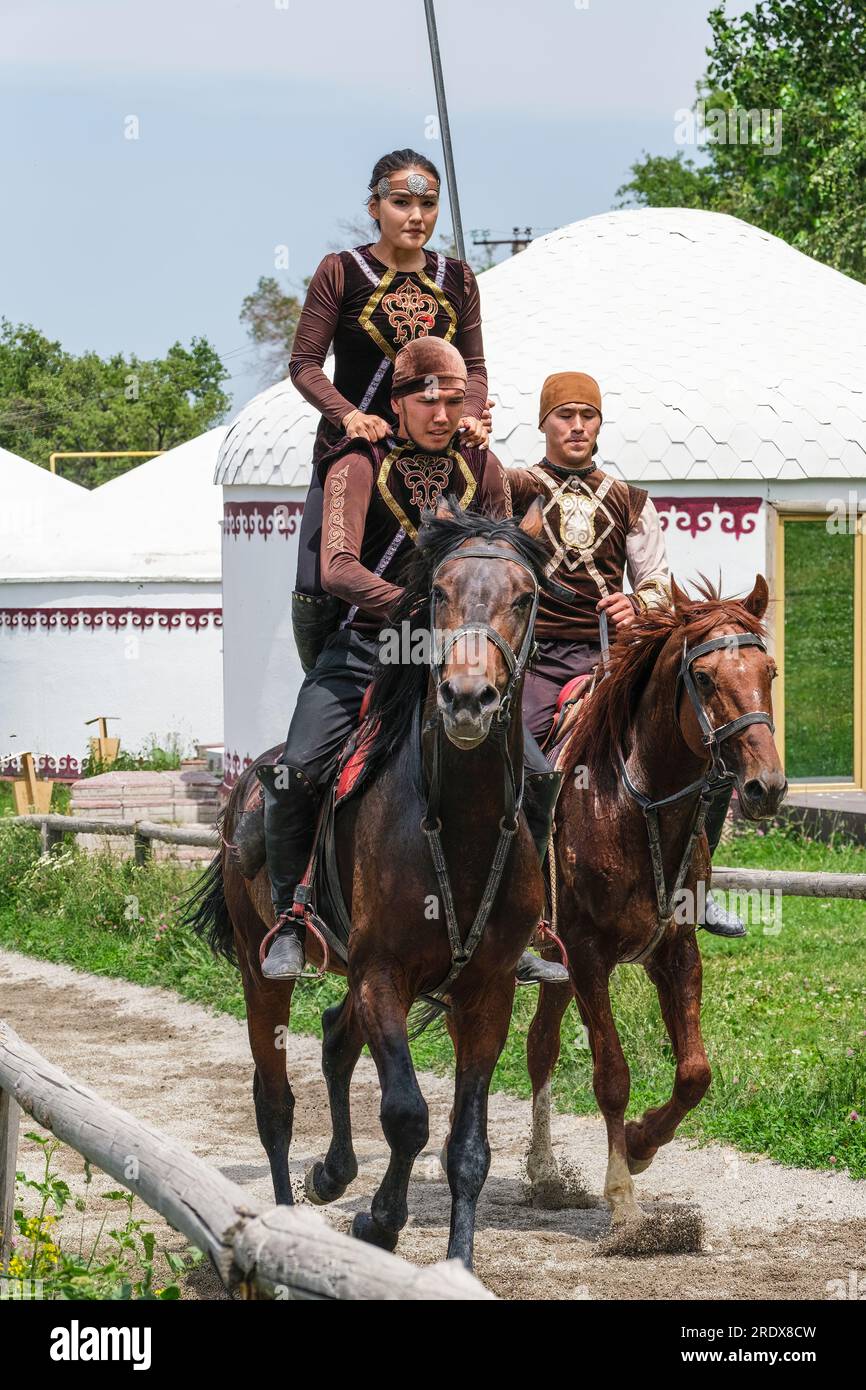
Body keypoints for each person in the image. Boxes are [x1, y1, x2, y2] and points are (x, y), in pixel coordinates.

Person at [259, 339, 566, 980]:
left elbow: (504, 560)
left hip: (453, 654)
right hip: (365, 646)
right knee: (297, 770)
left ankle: (524, 925)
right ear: (397, 401)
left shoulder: (481, 468)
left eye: (454, 401)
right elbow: (337, 568)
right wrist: (416, 605)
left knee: (537, 775)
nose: (442, 414)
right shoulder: (357, 460)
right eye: (428, 401)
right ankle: (292, 916)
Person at [504, 371, 746, 938]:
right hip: (534, 658)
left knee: (699, 754)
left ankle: (696, 893)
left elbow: (659, 578)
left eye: (588, 416)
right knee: (519, 765)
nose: (578, 426)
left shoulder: (629, 498)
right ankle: (520, 903)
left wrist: (636, 602)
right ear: (544, 422)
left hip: (609, 659)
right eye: (566, 415)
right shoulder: (513, 486)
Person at [288, 148, 491, 671]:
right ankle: (326, 684)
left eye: (428, 205)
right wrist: (350, 416)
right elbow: (304, 364)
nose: (416, 216)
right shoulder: (341, 271)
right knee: (318, 580)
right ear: (374, 206)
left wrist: (469, 411)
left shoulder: (458, 278)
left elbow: (475, 367)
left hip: (440, 450)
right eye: (401, 202)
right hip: (358, 453)